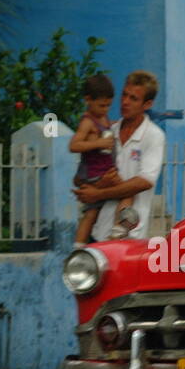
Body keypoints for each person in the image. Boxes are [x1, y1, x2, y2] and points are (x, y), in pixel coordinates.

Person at [74, 70, 165, 241]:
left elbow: (144, 181)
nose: (125, 102)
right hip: (97, 231)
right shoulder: (108, 131)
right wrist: (97, 184)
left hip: (129, 233)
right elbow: (82, 176)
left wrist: (100, 193)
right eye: (124, 95)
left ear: (147, 104)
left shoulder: (154, 135)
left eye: (133, 99)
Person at [69, 74, 131, 247]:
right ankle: (118, 231)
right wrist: (98, 143)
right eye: (101, 105)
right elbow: (74, 145)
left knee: (92, 212)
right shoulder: (87, 122)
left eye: (108, 105)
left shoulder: (102, 118)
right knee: (127, 192)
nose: (105, 109)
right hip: (94, 174)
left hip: (104, 170)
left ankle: (81, 246)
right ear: (88, 99)